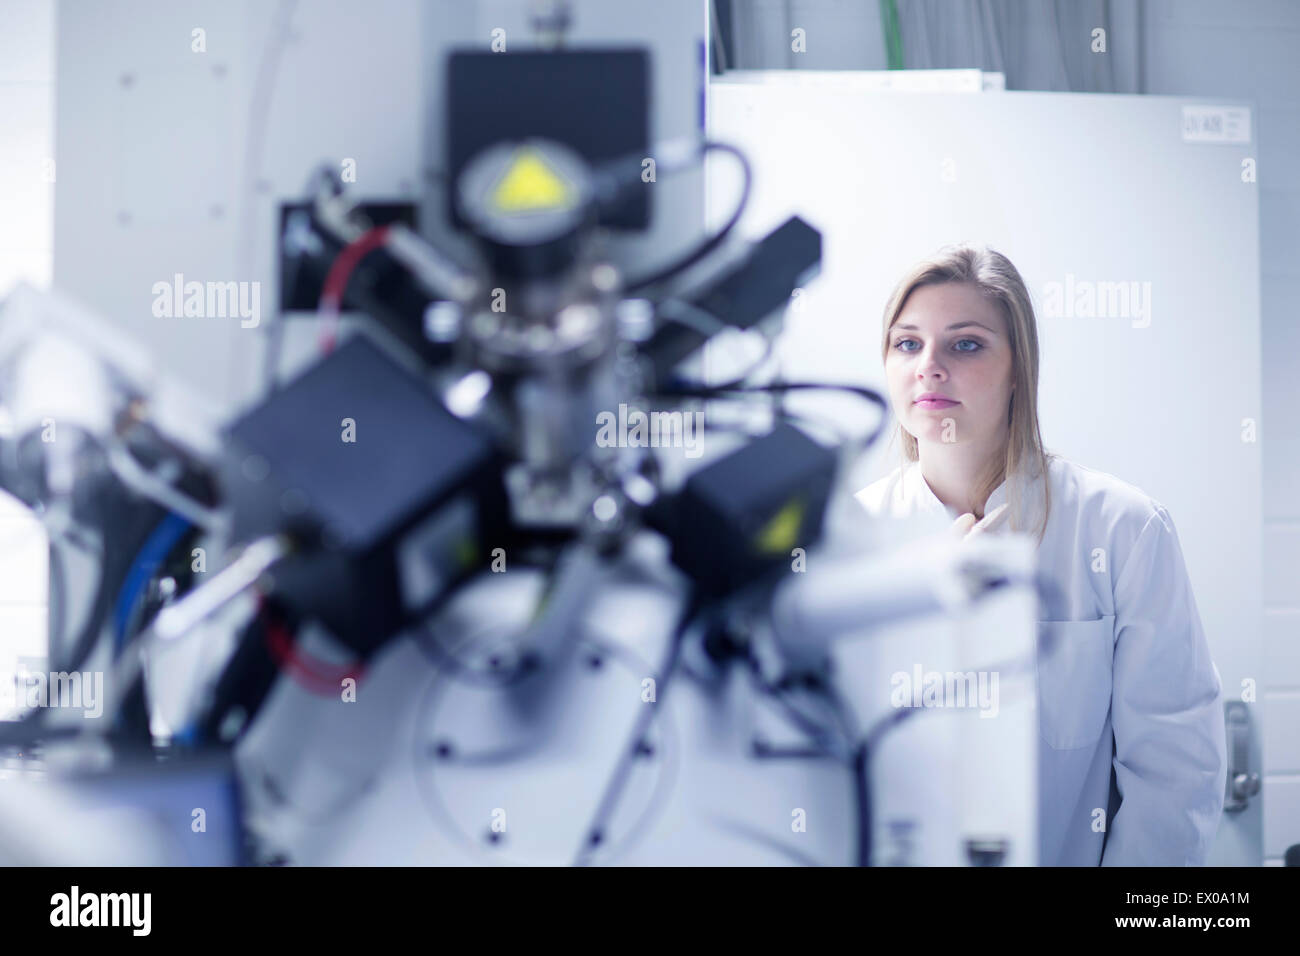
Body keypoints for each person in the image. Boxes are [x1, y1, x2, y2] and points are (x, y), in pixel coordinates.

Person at [856, 243, 1227, 866]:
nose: (929, 367)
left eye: (965, 344)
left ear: (1018, 368)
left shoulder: (1122, 531)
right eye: (908, 343)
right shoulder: (846, 543)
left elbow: (1176, 778)